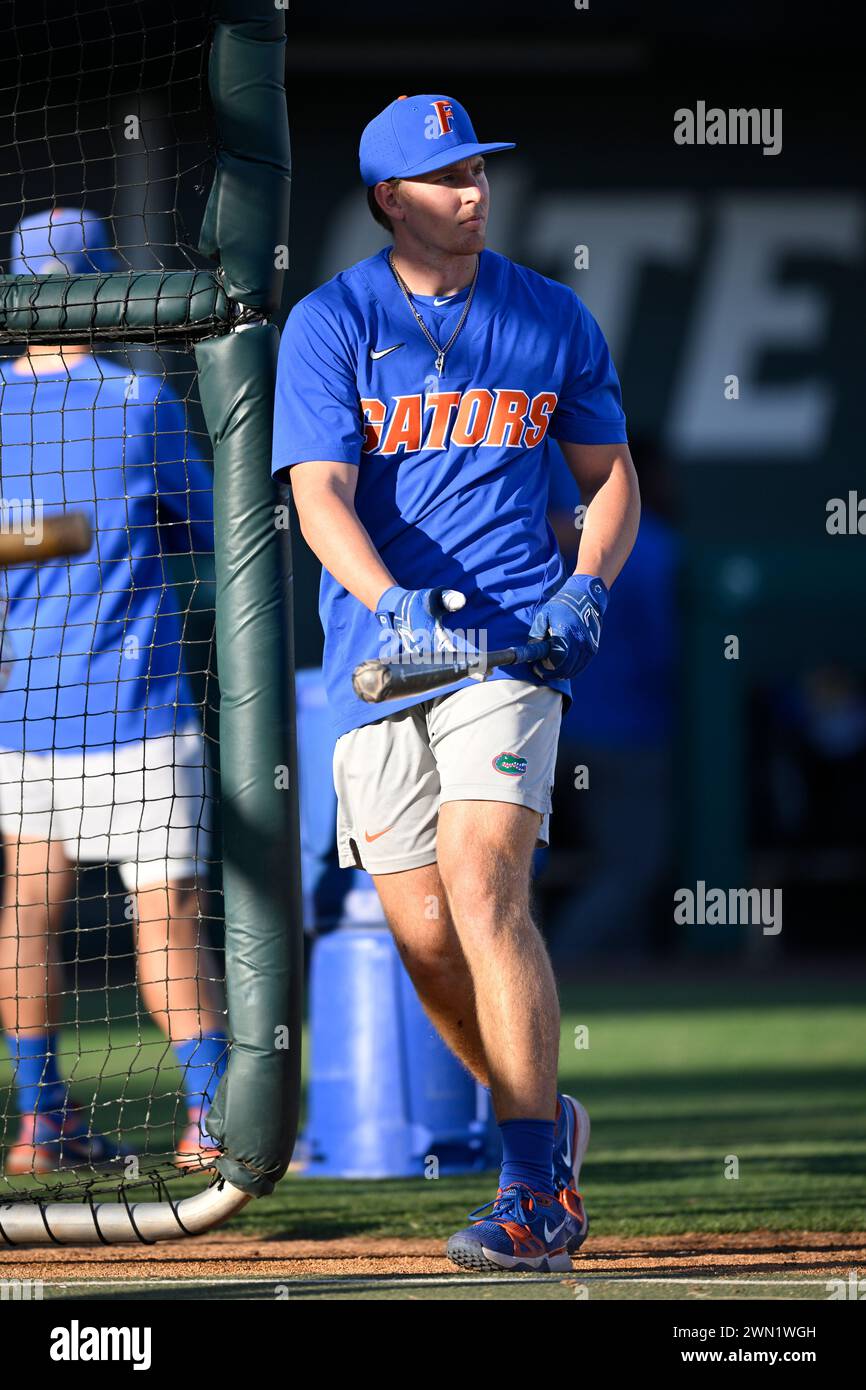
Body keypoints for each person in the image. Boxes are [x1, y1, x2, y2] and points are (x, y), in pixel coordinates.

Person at [274, 96, 640, 1272]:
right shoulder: (331, 322)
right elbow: (318, 494)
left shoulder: (550, 315)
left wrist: (586, 580)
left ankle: (533, 1195)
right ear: (389, 198)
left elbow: (609, 473)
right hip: (382, 657)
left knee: (486, 891)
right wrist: (385, 599)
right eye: (445, 177)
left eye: (476, 169)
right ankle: (543, 1121)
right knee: (421, 935)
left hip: (512, 650)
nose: (472, 191)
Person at [0, 207, 226, 1174]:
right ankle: (214, 1116)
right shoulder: (139, 403)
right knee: (166, 918)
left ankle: (40, 1120)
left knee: (26, 910)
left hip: (23, 713)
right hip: (136, 714)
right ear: (101, 284)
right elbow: (209, 532)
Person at [545, 436, 678, 963]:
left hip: (551, 725)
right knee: (633, 866)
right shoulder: (657, 548)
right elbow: (667, 655)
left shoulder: (557, 543)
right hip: (624, 738)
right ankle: (561, 966)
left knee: (520, 862)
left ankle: (608, 972)